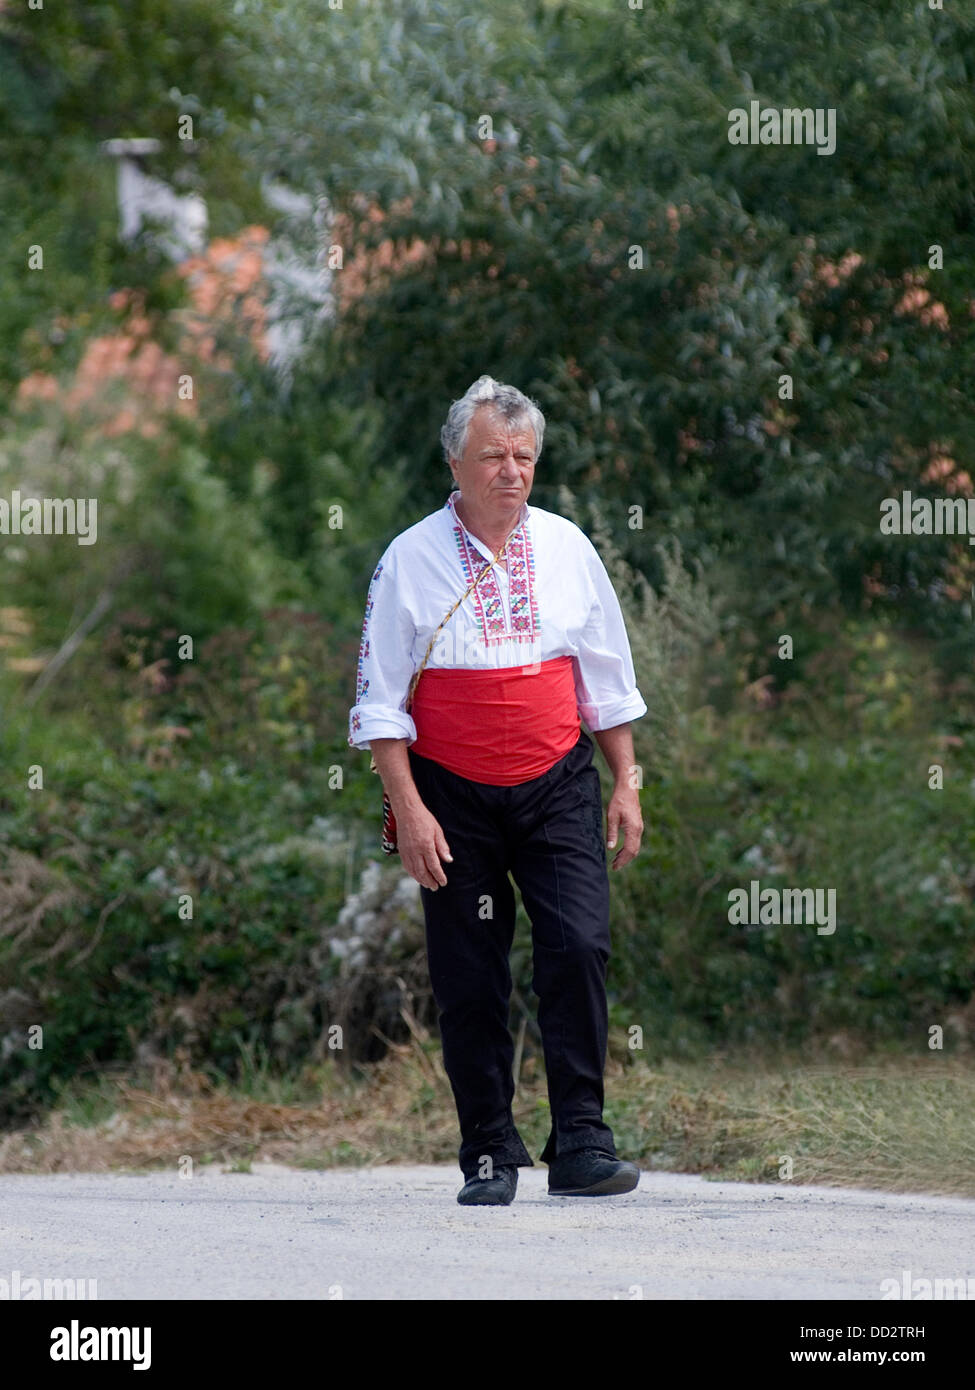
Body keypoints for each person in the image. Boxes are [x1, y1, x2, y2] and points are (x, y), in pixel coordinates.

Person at [348, 375, 647, 1204]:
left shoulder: (567, 547)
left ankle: (582, 1138)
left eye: (522, 456)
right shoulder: (408, 558)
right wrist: (408, 810)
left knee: (578, 946)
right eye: (492, 455)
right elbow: (378, 702)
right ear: (455, 461)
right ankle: (487, 1149)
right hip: (450, 797)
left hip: (556, 784)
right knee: (470, 975)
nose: (510, 471)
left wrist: (625, 781)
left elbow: (605, 680)